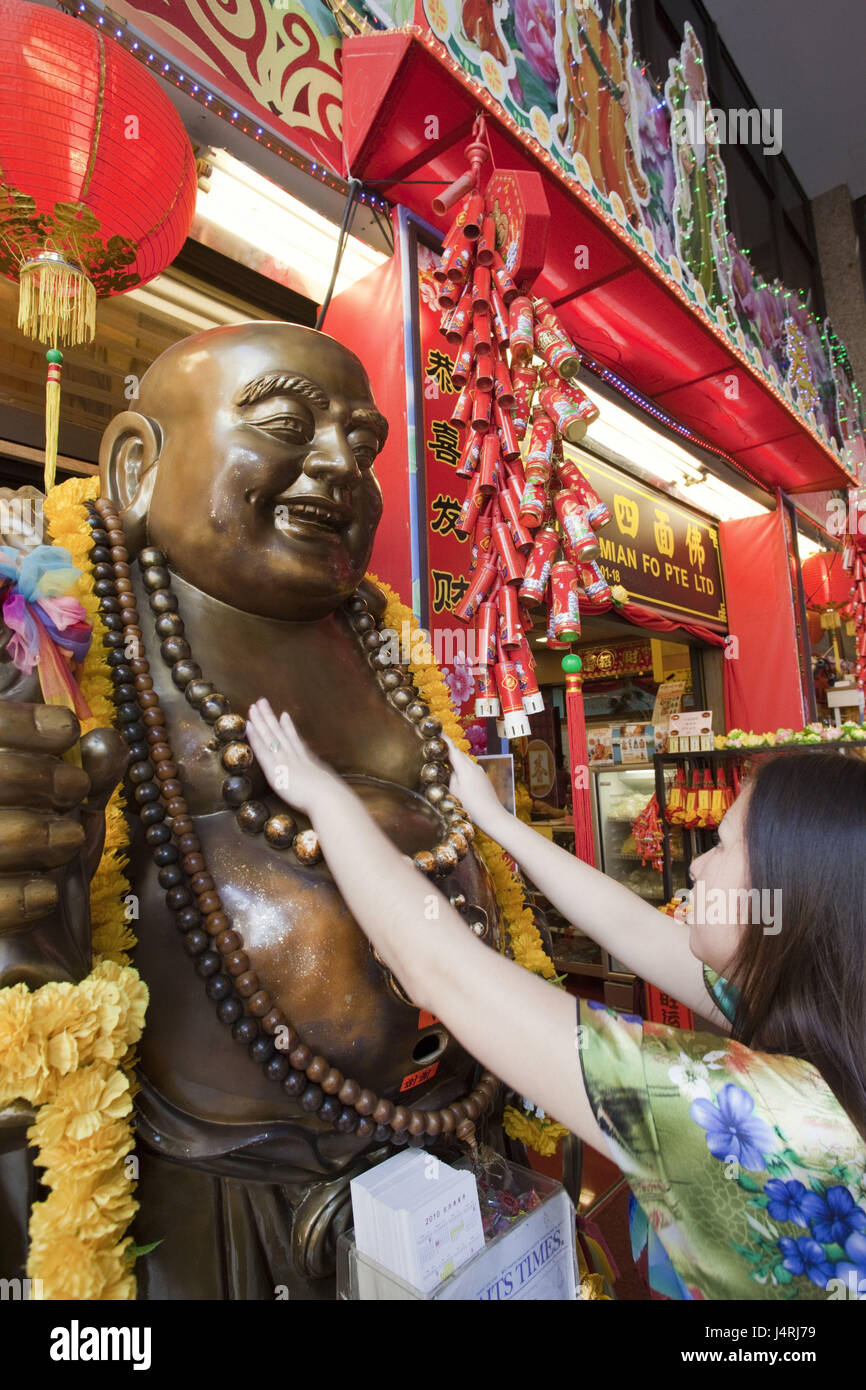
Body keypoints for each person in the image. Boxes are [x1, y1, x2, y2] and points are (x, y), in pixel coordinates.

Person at [247, 701, 866, 1302]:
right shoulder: (827, 1020)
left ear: (789, 893)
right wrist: (495, 819)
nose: (699, 867)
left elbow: (442, 968)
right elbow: (634, 929)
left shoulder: (768, 1117)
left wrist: (326, 798)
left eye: (724, 846)